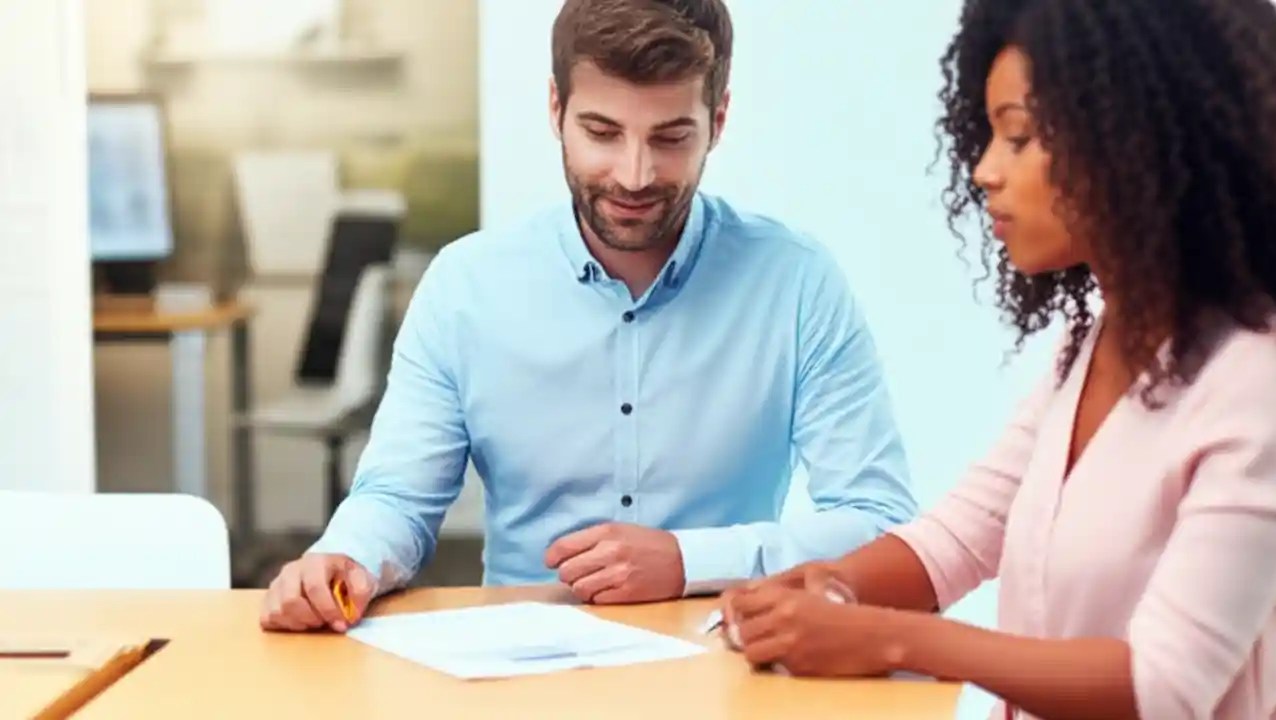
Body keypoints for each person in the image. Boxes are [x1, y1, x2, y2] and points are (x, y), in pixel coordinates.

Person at [260, 0, 917, 633]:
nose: (633, 175)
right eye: (602, 133)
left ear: (718, 121)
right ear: (556, 109)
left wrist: (689, 561)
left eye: (671, 138)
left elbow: (879, 521)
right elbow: (398, 500)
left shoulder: (796, 282)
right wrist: (345, 558)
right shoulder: (465, 288)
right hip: (519, 677)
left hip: (728, 663)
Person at [720, 0, 1276, 718]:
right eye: (989, 136)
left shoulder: (1255, 382)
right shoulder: (1092, 343)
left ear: (1134, 139)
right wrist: (822, 588)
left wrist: (892, 639)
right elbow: (958, 539)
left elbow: (1162, 687)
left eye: (1019, 137)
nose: (985, 170)